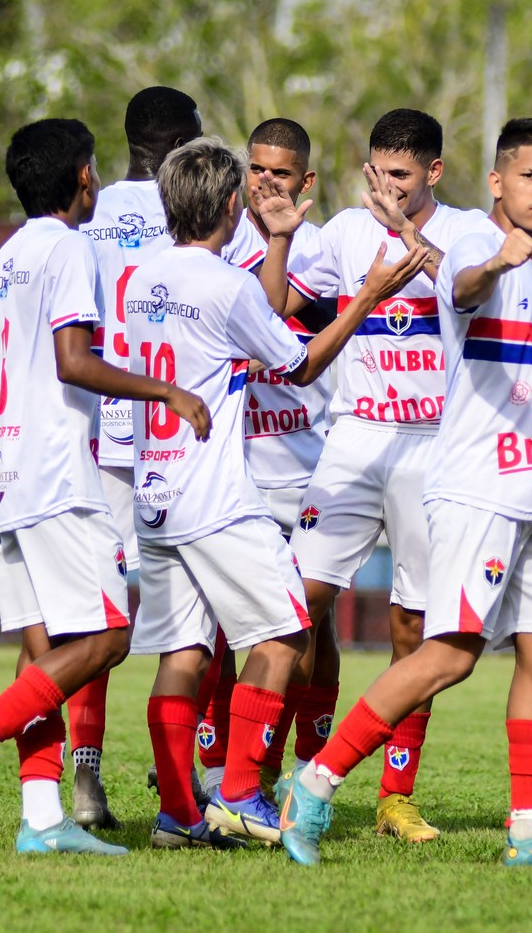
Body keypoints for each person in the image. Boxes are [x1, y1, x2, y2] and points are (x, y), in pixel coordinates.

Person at [279, 118, 532, 871]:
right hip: (476, 483)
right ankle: (316, 780)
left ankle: (531, 831)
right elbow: (462, 286)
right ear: (496, 182)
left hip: (529, 485)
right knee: (452, 651)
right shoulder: (475, 240)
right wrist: (495, 261)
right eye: (531, 177)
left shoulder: (517, 257)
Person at [0, 118, 210, 855]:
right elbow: (75, 362)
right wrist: (165, 393)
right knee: (110, 636)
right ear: (84, 176)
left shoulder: (6, 259)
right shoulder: (71, 247)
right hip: (59, 477)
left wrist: (18, 433)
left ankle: (44, 819)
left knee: (46, 646)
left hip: (10, 476)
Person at [127, 136, 428, 848]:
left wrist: (284, 246)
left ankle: (178, 813)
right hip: (217, 495)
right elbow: (295, 360)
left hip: (155, 491)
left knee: (183, 655)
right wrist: (370, 297)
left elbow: (248, 321)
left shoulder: (140, 279)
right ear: (231, 204)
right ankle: (239, 793)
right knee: (287, 627)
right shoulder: (225, 282)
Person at [272, 109, 488, 842]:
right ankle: (262, 776)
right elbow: (278, 312)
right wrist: (278, 238)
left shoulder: (467, 234)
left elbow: (469, 293)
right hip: (355, 440)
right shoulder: (340, 231)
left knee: (413, 626)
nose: (384, 188)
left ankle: (396, 796)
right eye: (376, 173)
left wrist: (406, 235)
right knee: (294, 607)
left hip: (435, 447)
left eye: (399, 176)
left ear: (433, 173)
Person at [195, 118, 341, 802]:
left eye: (280, 173)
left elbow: (282, 314)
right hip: (237, 463)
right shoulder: (212, 242)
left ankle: (302, 768)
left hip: (309, 464)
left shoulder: (319, 250)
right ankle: (225, 765)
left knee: (312, 624)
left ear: (305, 181)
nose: (265, 183)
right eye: (256, 169)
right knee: (228, 626)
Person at [71, 85, 205, 830]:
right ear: (184, 141)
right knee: (195, 613)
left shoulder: (84, 215)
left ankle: (85, 780)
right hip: (174, 434)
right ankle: (178, 774)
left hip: (96, 438)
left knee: (97, 614)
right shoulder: (203, 210)